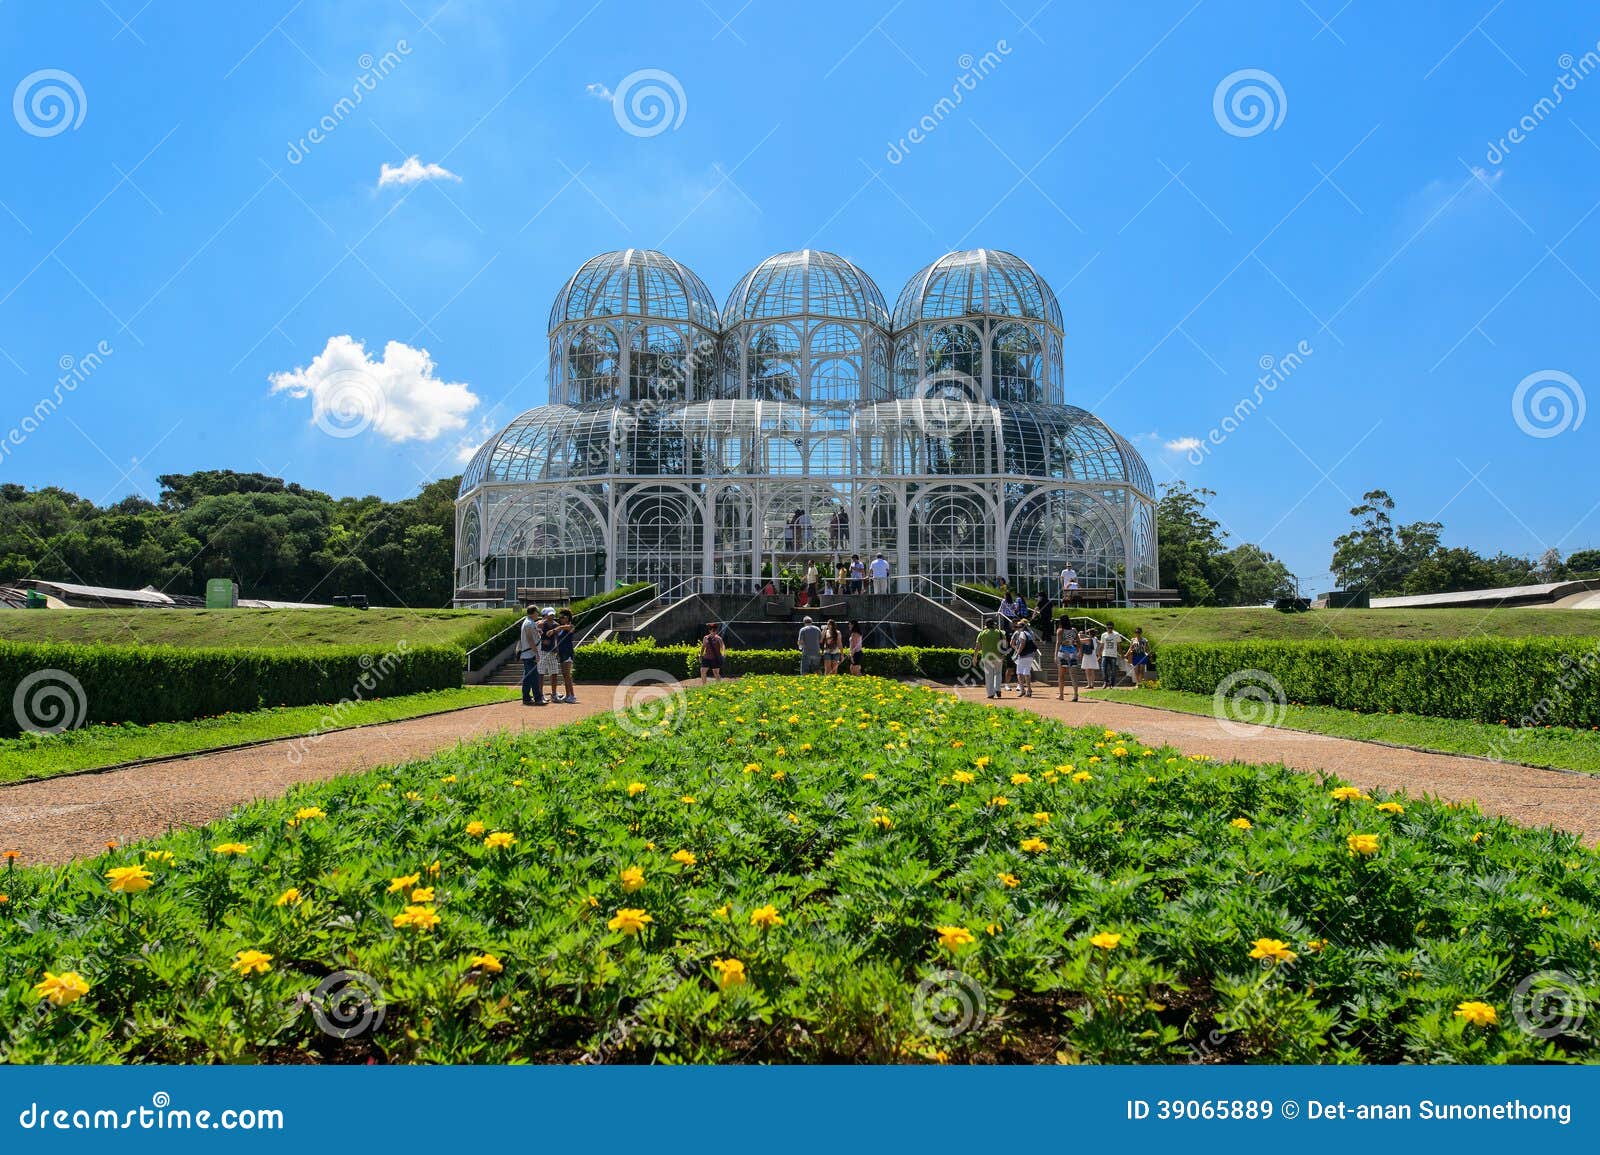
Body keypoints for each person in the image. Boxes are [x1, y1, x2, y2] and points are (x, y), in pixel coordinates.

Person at [518, 605, 545, 706]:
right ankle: (538, 698)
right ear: (534, 612)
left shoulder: (529, 622)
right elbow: (530, 640)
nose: (538, 614)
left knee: (528, 677)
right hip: (530, 654)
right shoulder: (529, 623)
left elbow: (531, 635)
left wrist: (538, 630)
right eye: (537, 612)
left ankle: (526, 698)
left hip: (528, 654)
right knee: (534, 677)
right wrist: (536, 653)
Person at [973, 617, 1006, 699]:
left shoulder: (982, 633)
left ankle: (990, 693)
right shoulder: (999, 632)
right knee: (998, 673)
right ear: (993, 625)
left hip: (986, 657)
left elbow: (977, 647)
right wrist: (1004, 655)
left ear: (986, 625)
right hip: (998, 656)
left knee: (989, 675)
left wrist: (975, 657)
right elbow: (1005, 644)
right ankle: (997, 688)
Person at [538, 607, 563, 703]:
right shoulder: (540, 624)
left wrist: (556, 646)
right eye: (550, 615)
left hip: (553, 652)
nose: (552, 617)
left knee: (554, 672)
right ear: (545, 615)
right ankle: (540, 694)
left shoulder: (556, 625)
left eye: (553, 615)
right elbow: (535, 634)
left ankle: (554, 694)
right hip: (542, 651)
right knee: (541, 673)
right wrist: (542, 640)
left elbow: (557, 637)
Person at [1010, 617, 1040, 697]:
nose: (1017, 628)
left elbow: (1022, 644)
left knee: (1020, 673)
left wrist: (1017, 653)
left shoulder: (1022, 633)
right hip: (1030, 654)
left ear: (1022, 627)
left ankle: (1025, 690)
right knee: (1024, 672)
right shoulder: (1029, 633)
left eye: (1018, 627)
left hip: (1023, 655)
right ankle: (1027, 690)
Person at [555, 608, 578, 703]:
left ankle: (572, 695)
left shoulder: (570, 626)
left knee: (567, 675)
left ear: (568, 618)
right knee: (565, 675)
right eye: (559, 617)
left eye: (562, 617)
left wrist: (559, 628)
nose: (560, 619)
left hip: (568, 653)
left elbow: (571, 628)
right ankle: (568, 694)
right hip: (561, 653)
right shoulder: (561, 628)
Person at [1056, 616, 1081, 701]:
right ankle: (1075, 695)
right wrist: (1080, 651)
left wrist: (1055, 654)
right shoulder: (1074, 630)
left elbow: (1058, 643)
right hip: (1073, 653)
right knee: (1073, 675)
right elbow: (1078, 641)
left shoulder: (1060, 630)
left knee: (1061, 675)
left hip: (1063, 653)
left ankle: (1061, 695)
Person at [1098, 623, 1125, 689]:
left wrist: (1122, 654)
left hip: (1113, 655)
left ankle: (1112, 684)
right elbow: (1101, 645)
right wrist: (1099, 655)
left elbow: (1119, 645)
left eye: (1111, 628)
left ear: (1113, 628)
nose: (1110, 629)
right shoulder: (1103, 635)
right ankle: (1105, 682)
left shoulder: (1116, 634)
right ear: (1106, 628)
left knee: (1113, 670)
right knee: (1103, 669)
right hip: (1105, 654)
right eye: (1108, 628)